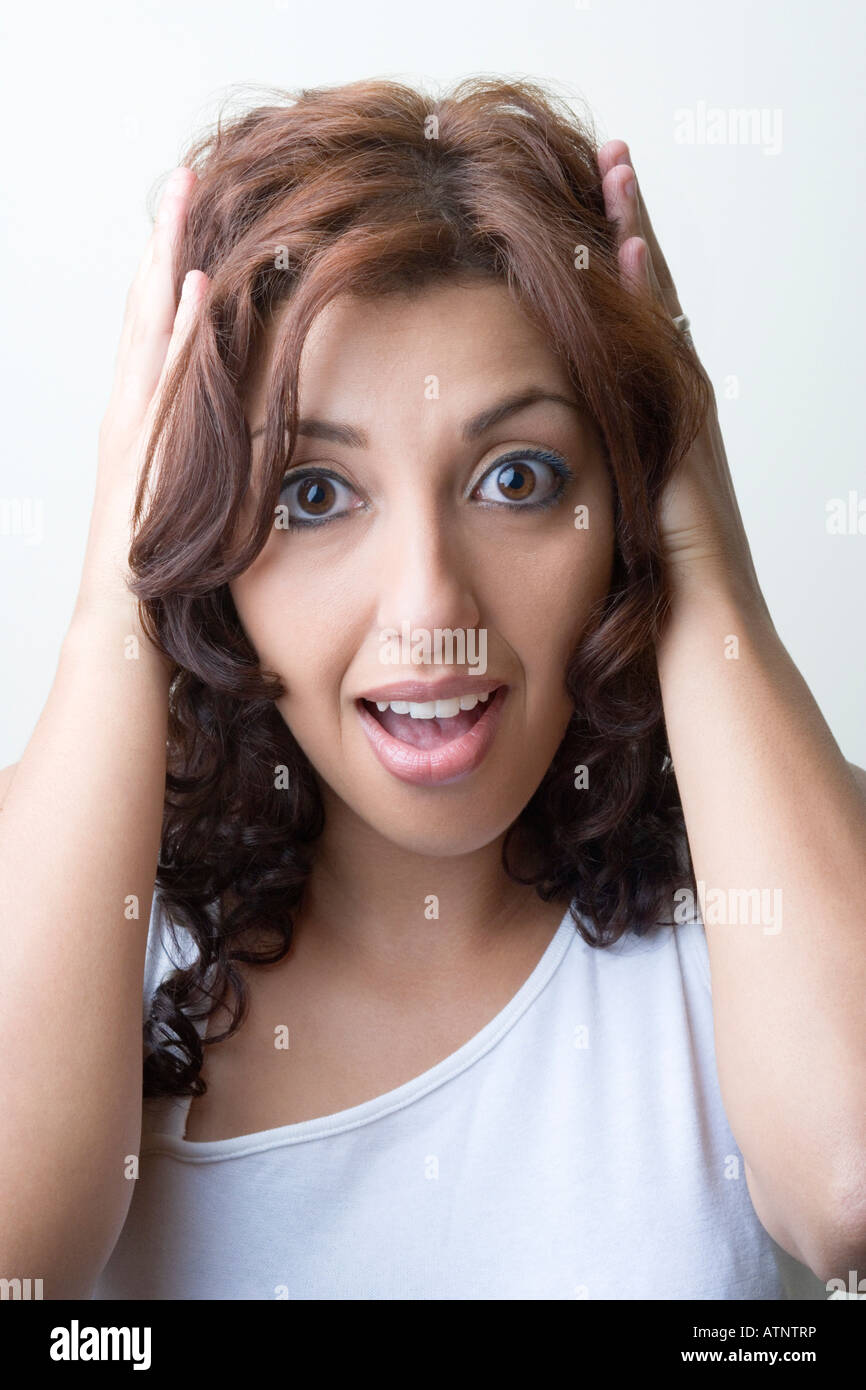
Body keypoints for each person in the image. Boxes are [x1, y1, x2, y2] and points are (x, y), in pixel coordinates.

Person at [1, 77, 864, 1301]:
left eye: (517, 477)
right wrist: (112, 602)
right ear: (197, 528)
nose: (430, 609)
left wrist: (705, 577)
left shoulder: (773, 892)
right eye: (311, 494)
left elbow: (850, 1189)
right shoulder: (58, 897)